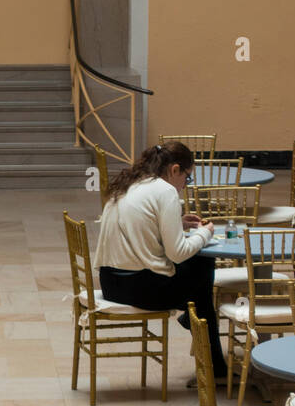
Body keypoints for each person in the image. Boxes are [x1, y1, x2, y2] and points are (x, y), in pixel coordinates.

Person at [94, 141, 229, 381]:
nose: (184, 187)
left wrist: (178, 222)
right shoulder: (165, 190)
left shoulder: (132, 184)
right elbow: (177, 253)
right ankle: (213, 364)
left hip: (111, 283)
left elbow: (141, 226)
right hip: (138, 289)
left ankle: (208, 350)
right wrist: (204, 232)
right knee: (203, 267)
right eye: (187, 178)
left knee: (198, 285)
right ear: (175, 169)